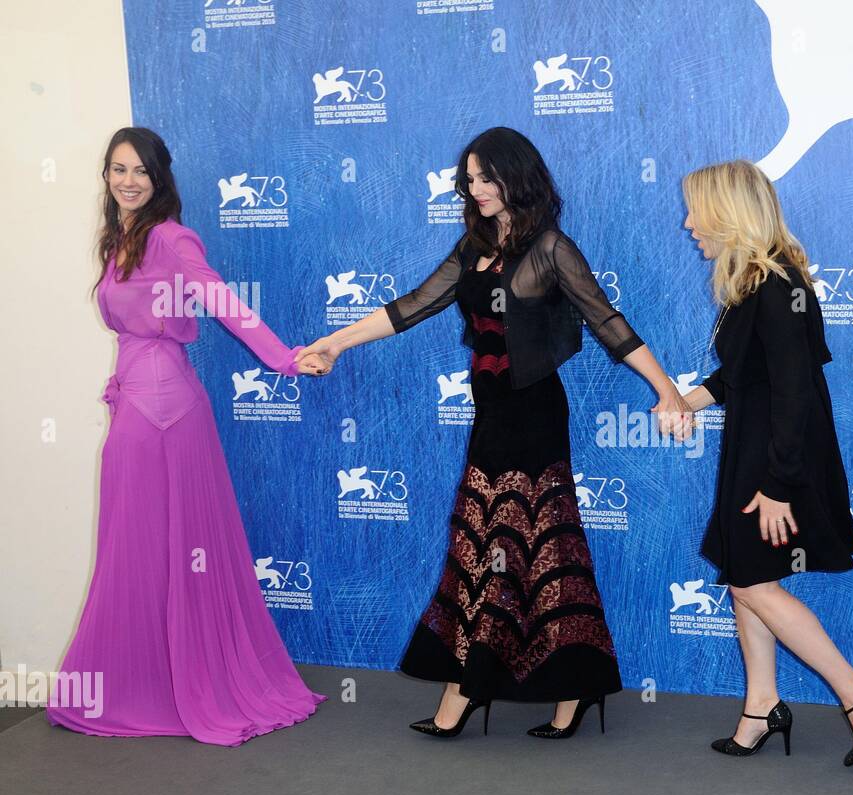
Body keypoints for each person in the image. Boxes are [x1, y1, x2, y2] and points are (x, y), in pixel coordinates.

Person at [300, 127, 693, 739]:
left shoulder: (552, 250)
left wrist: (665, 388)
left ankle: (514, 692)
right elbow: (413, 305)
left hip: (535, 414)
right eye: (470, 179)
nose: (476, 189)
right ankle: (509, 684)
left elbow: (608, 322)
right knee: (484, 545)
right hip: (490, 414)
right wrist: (336, 343)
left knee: (540, 548)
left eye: (487, 177)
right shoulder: (473, 246)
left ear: (518, 176)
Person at [46, 127, 327, 747]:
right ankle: (136, 684)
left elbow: (222, 301)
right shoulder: (119, 240)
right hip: (135, 409)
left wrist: (284, 358)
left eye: (140, 171)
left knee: (171, 550)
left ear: (159, 178)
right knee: (135, 547)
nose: (127, 181)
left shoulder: (171, 239)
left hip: (166, 417)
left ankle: (176, 687)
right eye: (117, 169)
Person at [678, 159, 853, 763]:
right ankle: (761, 706)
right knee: (745, 578)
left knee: (752, 580)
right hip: (754, 451)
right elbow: (743, 375)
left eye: (696, 210)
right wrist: (689, 401)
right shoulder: (756, 283)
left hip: (777, 460)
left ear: (728, 212)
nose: (689, 223)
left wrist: (778, 485)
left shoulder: (778, 288)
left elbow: (795, 389)